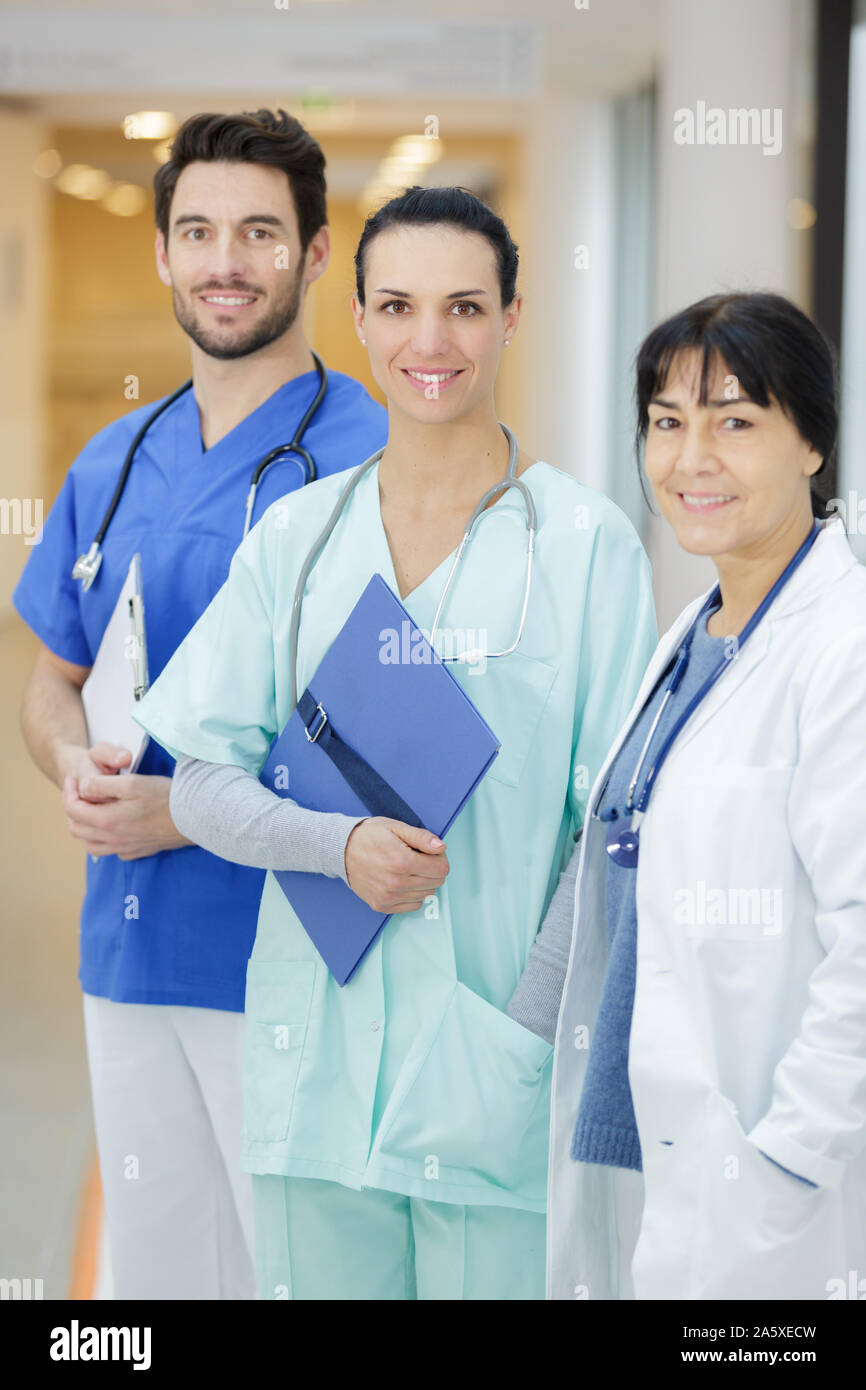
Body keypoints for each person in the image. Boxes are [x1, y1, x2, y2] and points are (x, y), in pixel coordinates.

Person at [130, 184, 658, 1301]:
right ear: (358, 320)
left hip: (493, 1084)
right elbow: (199, 784)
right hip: (315, 1073)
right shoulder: (301, 538)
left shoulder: (583, 545)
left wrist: (512, 1040)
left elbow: (613, 829)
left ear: (512, 316)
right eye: (399, 306)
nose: (430, 341)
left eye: (464, 307)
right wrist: (334, 846)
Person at [13, 108, 387, 1300]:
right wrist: (71, 763)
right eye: (199, 231)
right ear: (164, 254)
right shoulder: (114, 459)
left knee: (293, 1277)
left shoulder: (375, 460)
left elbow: (395, 739)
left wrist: (185, 813)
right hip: (124, 951)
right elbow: (49, 682)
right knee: (158, 1278)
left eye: (259, 233)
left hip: (286, 954)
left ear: (316, 254)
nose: (226, 260)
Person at [541, 290, 866, 1300]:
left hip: (772, 1190)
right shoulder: (694, 633)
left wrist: (783, 1162)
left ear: (810, 441)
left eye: (733, 420)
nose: (690, 460)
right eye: (666, 423)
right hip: (651, 1140)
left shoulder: (840, 650)